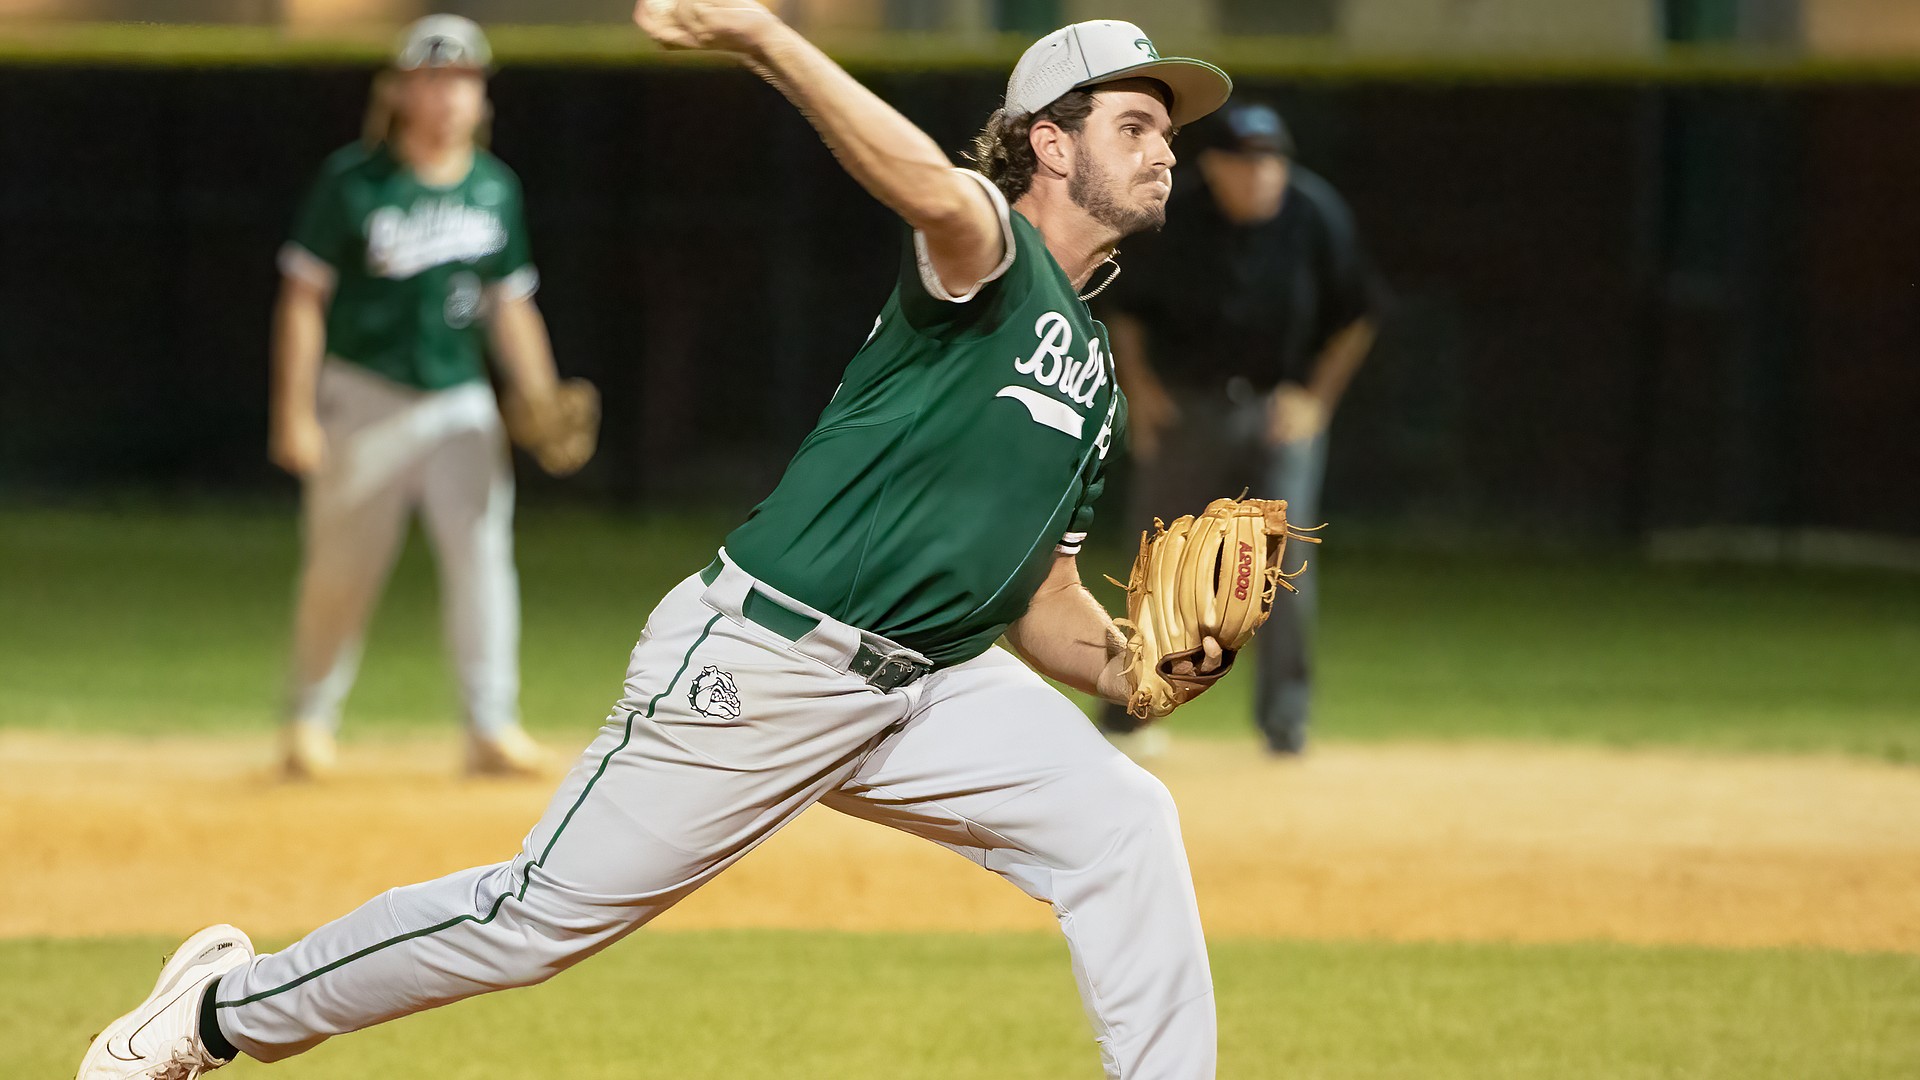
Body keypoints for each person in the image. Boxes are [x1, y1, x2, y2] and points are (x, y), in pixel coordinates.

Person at [77, 8, 1234, 1079]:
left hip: (936, 685)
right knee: (530, 919)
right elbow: (935, 190)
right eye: (1134, 125)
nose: (1164, 151)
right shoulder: (989, 262)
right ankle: (218, 1012)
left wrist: (1145, 665)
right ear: (1049, 144)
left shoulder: (1094, 376)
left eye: (1167, 134)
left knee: (1125, 824)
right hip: (775, 660)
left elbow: (1044, 600)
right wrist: (764, 36)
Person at [269, 15, 574, 780]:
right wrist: (294, 411)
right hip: (363, 396)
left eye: (463, 80)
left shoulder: (494, 188)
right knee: (340, 569)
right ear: (400, 92)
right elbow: (302, 298)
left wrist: (538, 389)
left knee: (484, 563)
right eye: (432, 80)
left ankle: (491, 727)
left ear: (481, 97)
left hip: (459, 402)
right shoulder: (353, 182)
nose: (447, 96)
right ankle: (308, 720)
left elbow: (510, 304)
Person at [1096, 100, 1385, 757]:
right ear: (1216, 167)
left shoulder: (1313, 213)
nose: (1261, 175)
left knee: (1282, 572)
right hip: (1187, 410)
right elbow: (1126, 309)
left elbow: (1358, 312)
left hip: (1277, 413)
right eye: (1246, 163)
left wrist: (1316, 400)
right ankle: (1129, 715)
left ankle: (1285, 725)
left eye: (1271, 162)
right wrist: (1140, 392)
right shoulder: (1172, 215)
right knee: (1165, 562)